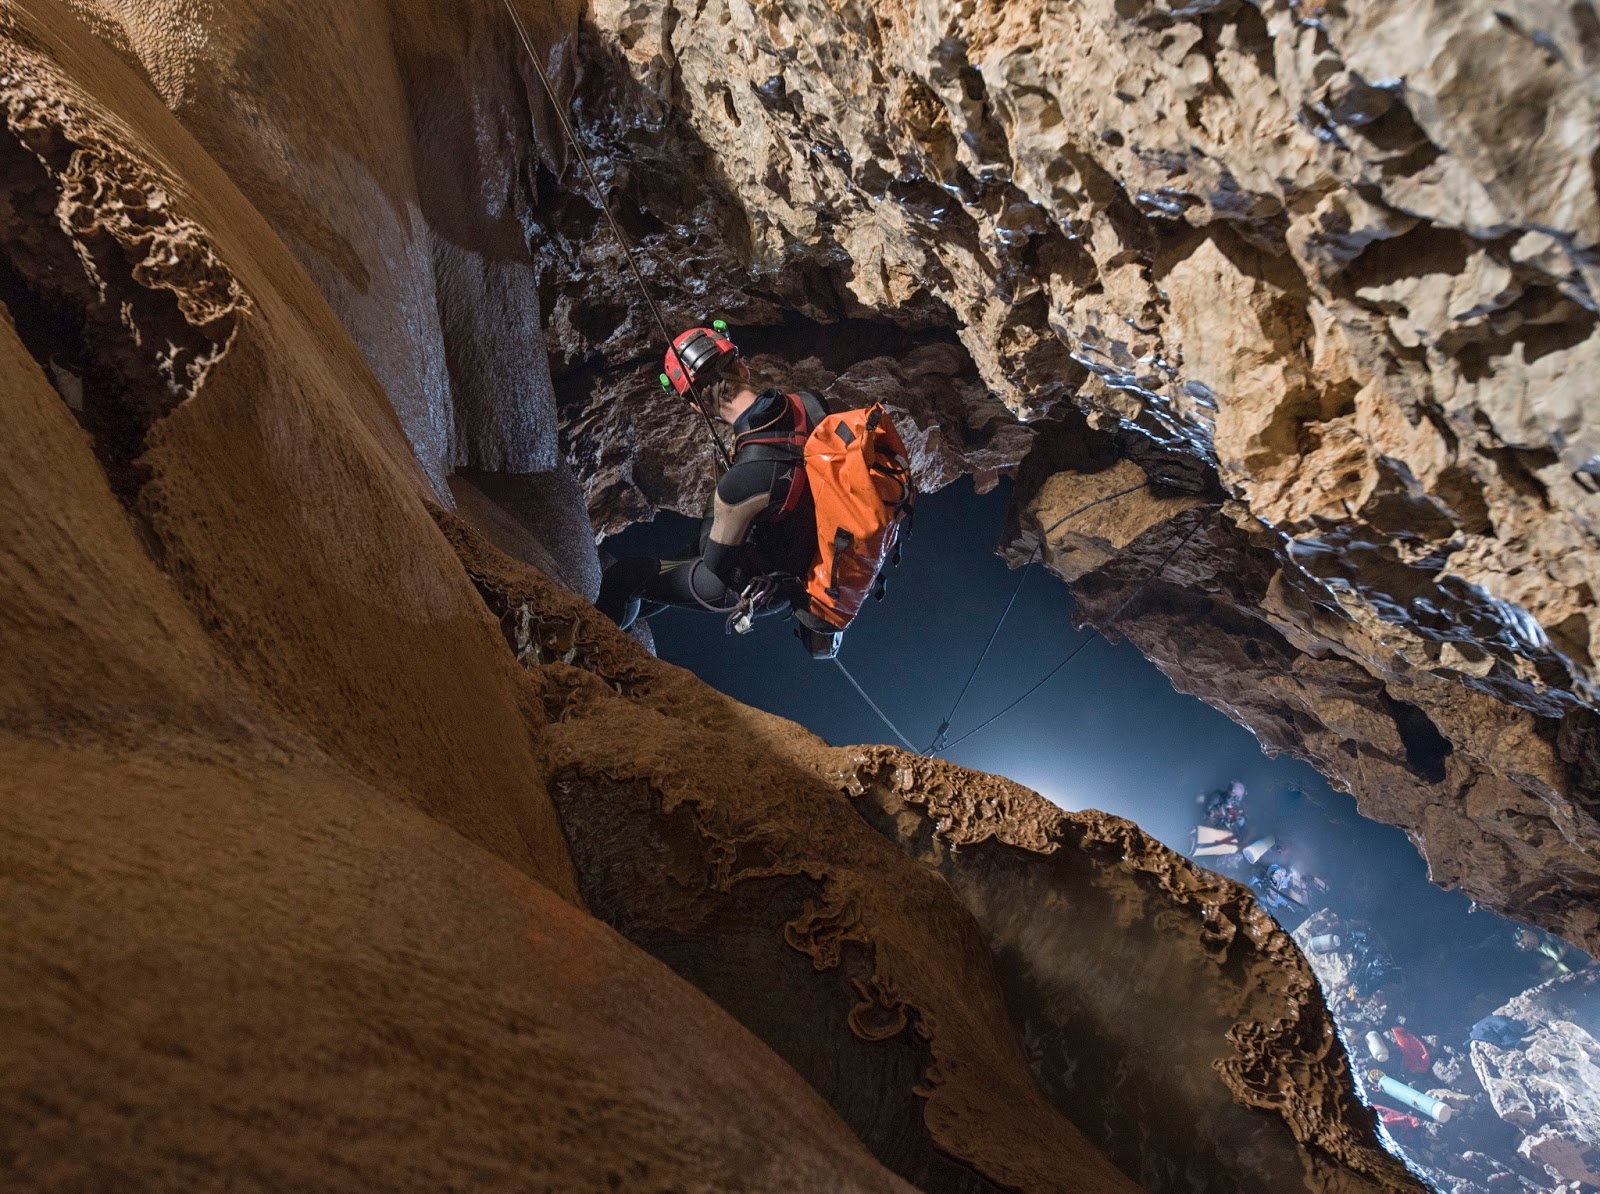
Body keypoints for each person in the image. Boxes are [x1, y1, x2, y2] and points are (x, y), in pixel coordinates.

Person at [597, 324, 842, 657]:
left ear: (696, 406)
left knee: (624, 576)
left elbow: (715, 561)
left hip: (754, 582)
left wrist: (722, 504)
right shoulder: (809, 403)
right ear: (742, 366)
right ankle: (640, 610)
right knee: (668, 566)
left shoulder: (742, 482)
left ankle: (589, 663)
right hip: (807, 553)